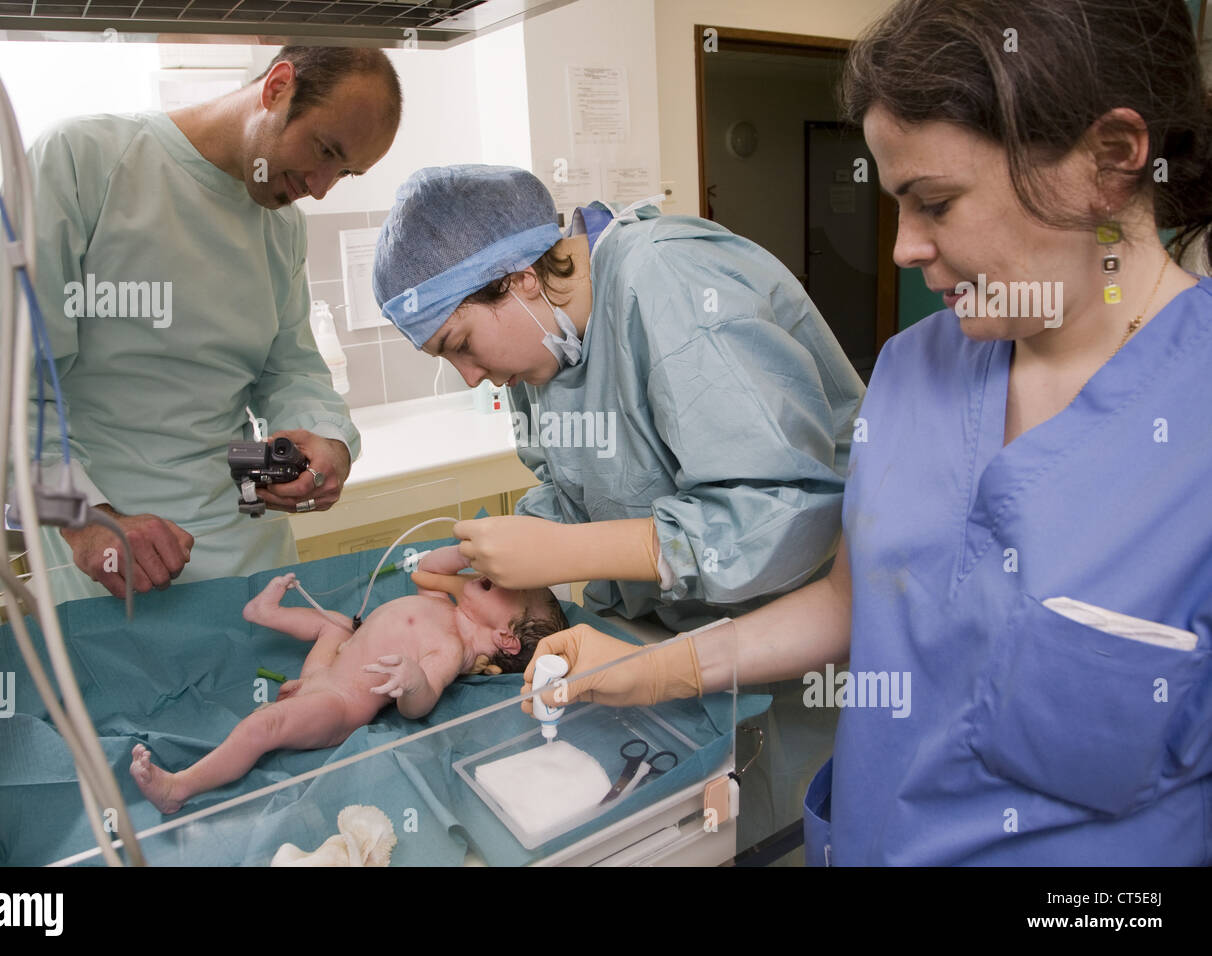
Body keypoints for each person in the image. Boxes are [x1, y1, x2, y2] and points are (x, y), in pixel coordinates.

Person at [519, 0, 1212, 866]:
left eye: (937, 203)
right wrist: (660, 669)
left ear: (1110, 162)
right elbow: (854, 602)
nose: (903, 249)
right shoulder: (912, 368)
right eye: (895, 204)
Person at [371, 166, 865, 845]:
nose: (473, 377)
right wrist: (528, 541)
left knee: (784, 830)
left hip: (793, 651)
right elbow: (579, 485)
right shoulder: (542, 347)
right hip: (676, 648)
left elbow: (782, 516)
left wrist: (570, 551)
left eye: (461, 345)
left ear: (519, 280)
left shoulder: (670, 281)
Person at [0, 47, 401, 604]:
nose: (320, 185)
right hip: (106, 556)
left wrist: (329, 442)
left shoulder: (282, 229)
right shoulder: (82, 162)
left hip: (249, 554)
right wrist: (86, 520)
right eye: (324, 150)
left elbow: (291, 369)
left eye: (344, 172)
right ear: (277, 86)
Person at [129, 546, 567, 813]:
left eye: (513, 586)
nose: (498, 577)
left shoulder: (452, 647)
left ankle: (179, 787)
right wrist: (470, 552)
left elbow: (421, 703)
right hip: (326, 670)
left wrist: (412, 681)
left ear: (507, 639)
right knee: (336, 624)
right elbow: (433, 565)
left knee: (265, 726)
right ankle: (264, 614)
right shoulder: (443, 605)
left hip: (338, 703)